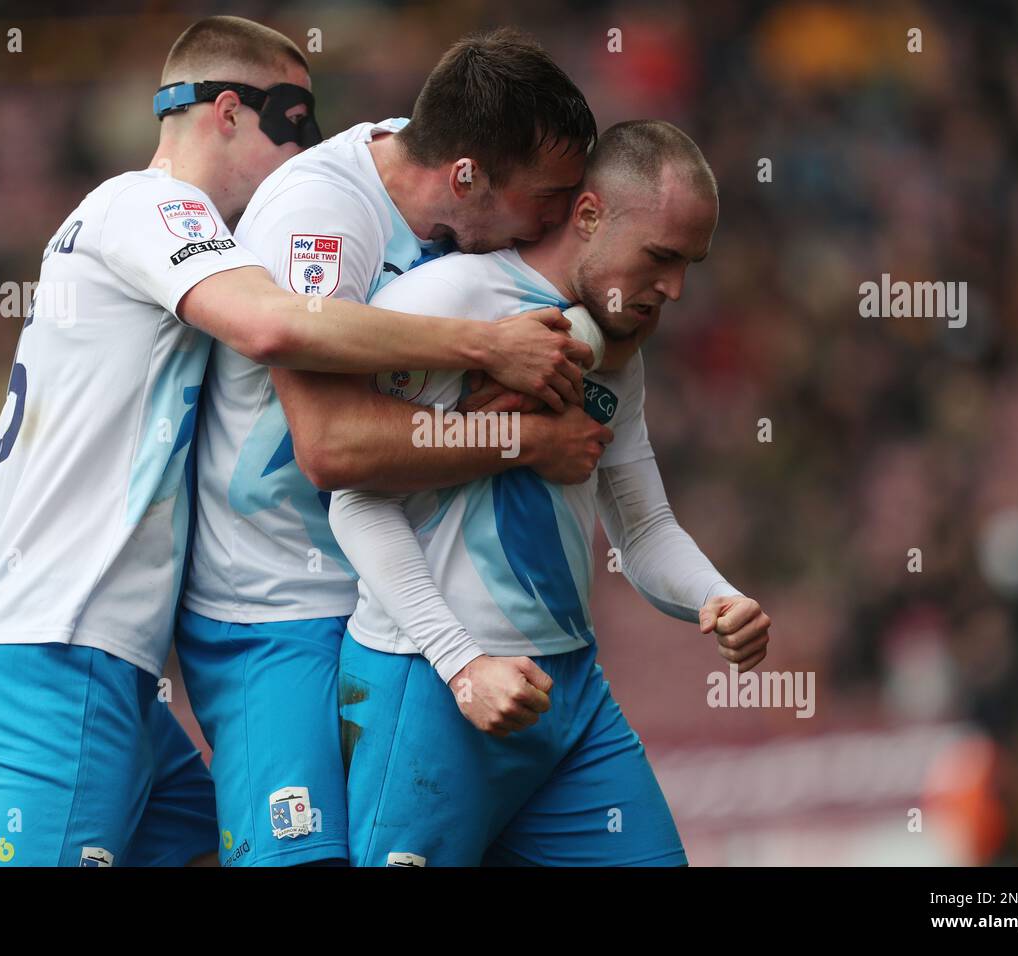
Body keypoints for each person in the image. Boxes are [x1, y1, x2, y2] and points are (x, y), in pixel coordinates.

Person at [0, 16, 585, 868]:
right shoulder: (151, 204)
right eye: (296, 125)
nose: (304, 155)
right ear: (227, 111)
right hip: (62, 640)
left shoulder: (158, 230)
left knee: (206, 843)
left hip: (107, 652)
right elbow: (278, 324)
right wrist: (483, 345)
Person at [177, 27, 613, 866]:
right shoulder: (324, 220)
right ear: (468, 177)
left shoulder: (447, 204)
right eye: (549, 198)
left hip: (385, 601)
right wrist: (522, 438)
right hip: (277, 606)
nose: (557, 223)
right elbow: (333, 449)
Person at [329, 121, 773, 866]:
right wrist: (462, 665)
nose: (675, 290)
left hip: (569, 694)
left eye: (690, 265)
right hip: (433, 686)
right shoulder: (448, 299)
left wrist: (715, 597)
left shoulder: (616, 345)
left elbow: (644, 526)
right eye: (660, 258)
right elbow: (356, 500)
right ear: (590, 215)